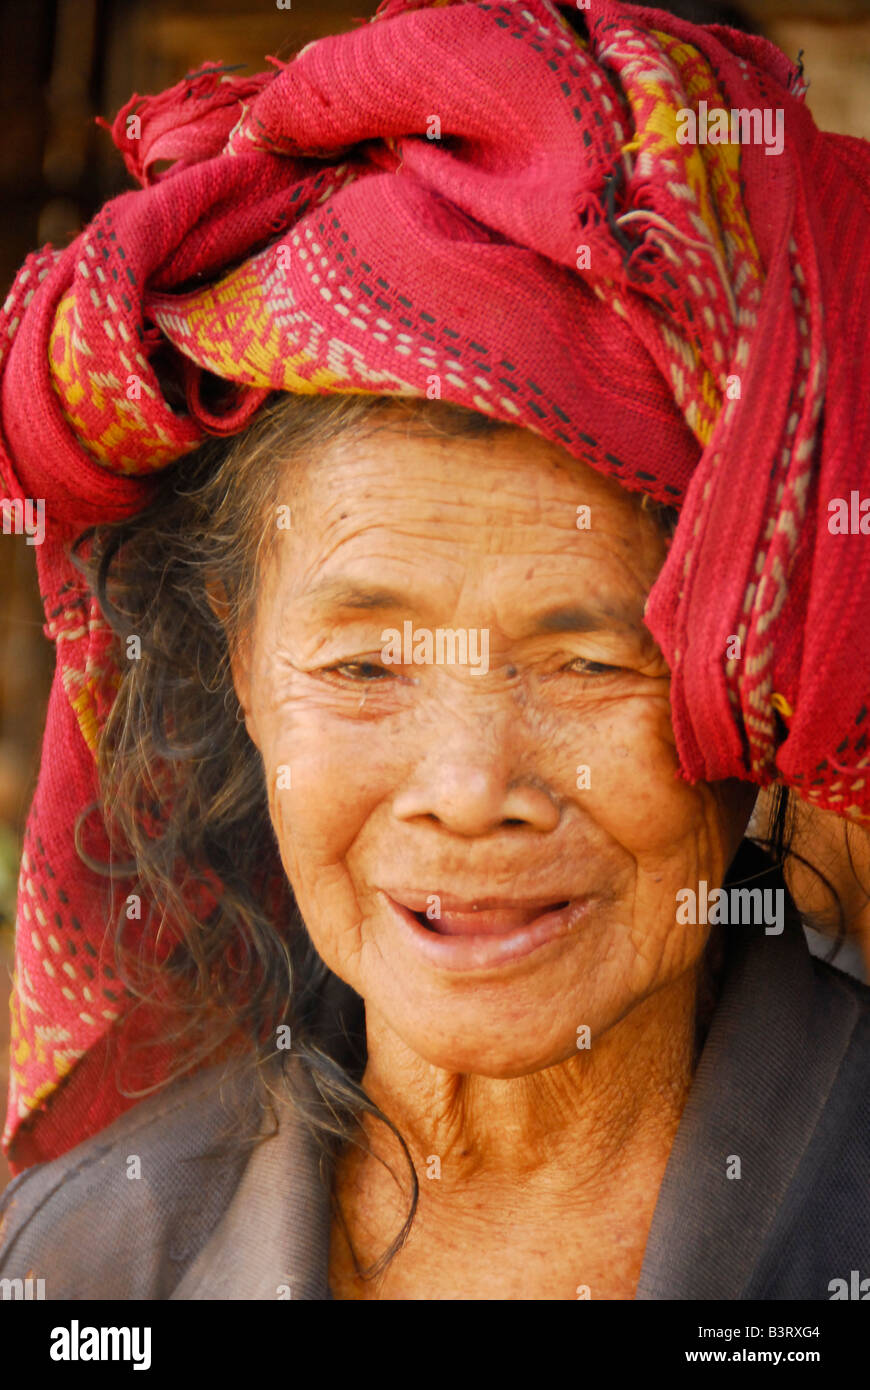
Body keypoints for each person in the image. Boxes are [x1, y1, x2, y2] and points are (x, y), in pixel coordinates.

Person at [0, 0, 869, 1300]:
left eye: (587, 660)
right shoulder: (94, 1261)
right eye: (362, 667)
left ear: (742, 676)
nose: (467, 787)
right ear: (241, 665)